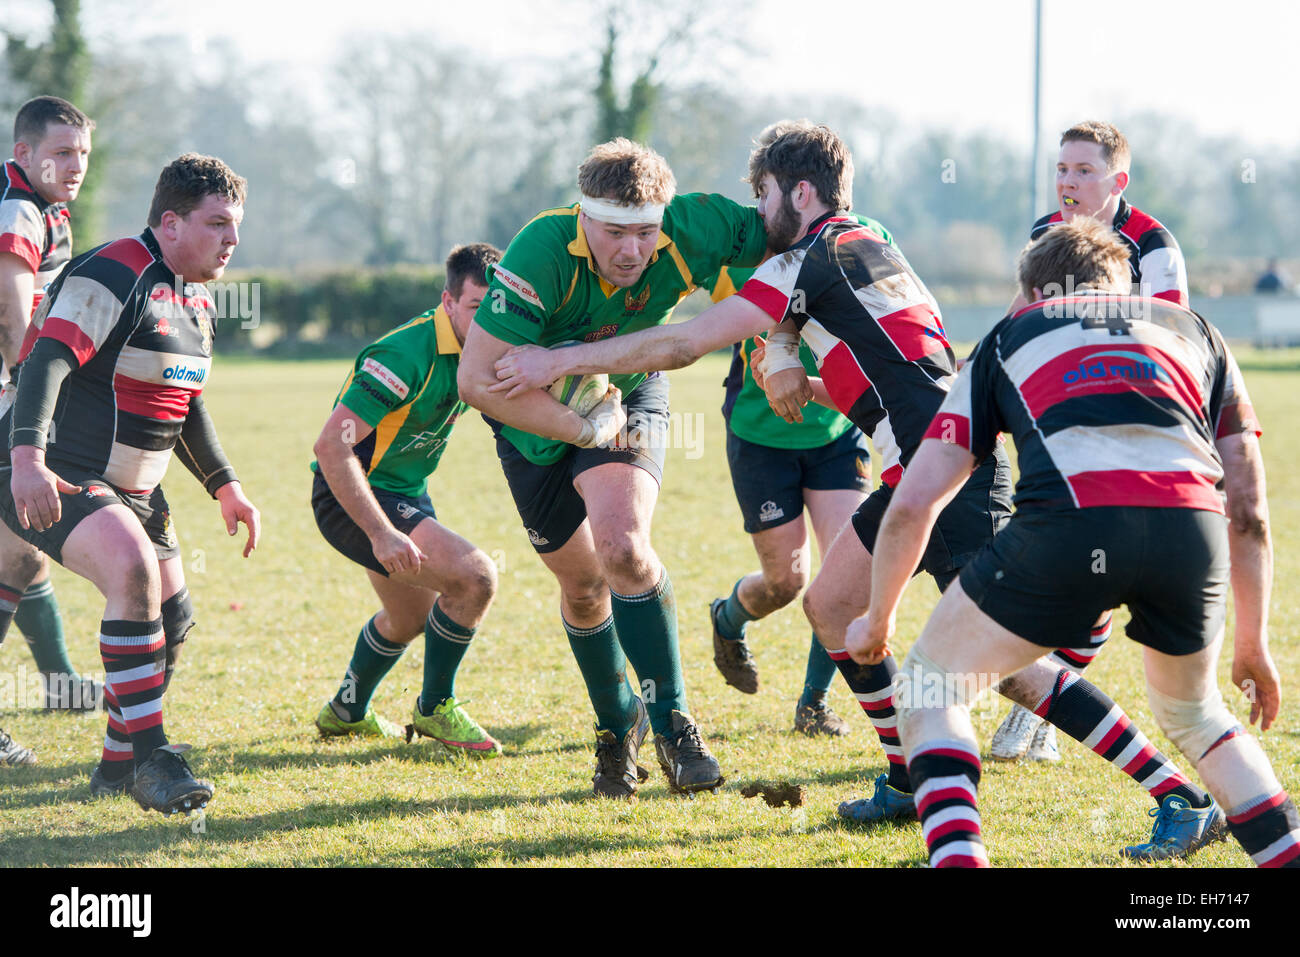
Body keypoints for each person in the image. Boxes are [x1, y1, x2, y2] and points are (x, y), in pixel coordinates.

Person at [490, 122, 1223, 860]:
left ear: (799, 192)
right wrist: (794, 366)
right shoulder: (867, 242)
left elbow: (683, 342)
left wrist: (562, 357)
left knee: (1003, 664)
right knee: (832, 604)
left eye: (764, 194)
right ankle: (907, 778)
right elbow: (885, 366)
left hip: (949, 466)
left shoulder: (807, 258)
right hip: (929, 454)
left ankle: (1178, 793)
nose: (757, 211)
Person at [852, 216, 1297, 868]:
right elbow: (1250, 509)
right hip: (1189, 533)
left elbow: (918, 497)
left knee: (930, 688)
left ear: (1033, 293)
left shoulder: (1011, 334)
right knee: (1199, 717)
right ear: (1122, 284)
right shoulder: (1198, 331)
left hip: (1069, 524)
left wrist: (879, 617)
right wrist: (1254, 642)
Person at [457, 138, 772, 798]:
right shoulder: (539, 252)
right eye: (614, 232)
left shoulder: (699, 226)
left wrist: (794, 335)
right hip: (532, 415)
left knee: (624, 549)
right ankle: (613, 727)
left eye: (646, 233)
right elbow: (475, 381)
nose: (633, 251)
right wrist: (581, 425)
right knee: (582, 588)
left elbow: (796, 238)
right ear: (583, 218)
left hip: (628, 389)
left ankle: (675, 726)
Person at [0, 153, 260, 814]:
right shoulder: (116, 270)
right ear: (169, 223)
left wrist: (225, 483)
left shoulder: (196, 296)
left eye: (236, 225)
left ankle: (118, 766)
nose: (232, 239)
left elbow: (187, 401)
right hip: (60, 468)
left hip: (138, 490)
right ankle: (154, 760)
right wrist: (28, 458)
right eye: (217, 224)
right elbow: (44, 364)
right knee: (131, 572)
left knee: (172, 617)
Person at [995, 119, 1192, 762]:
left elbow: (1172, 337)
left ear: (1117, 181)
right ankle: (1050, 702)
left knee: (1099, 572)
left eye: (1083, 171)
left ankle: (1046, 709)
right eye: (1061, 169)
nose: (1068, 183)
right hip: (1053, 419)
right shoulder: (1041, 234)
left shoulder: (1154, 245)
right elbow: (1021, 316)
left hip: (1126, 422)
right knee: (1072, 566)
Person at [311, 242, 502, 755]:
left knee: (409, 620)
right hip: (354, 493)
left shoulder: (484, 345)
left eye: (498, 308)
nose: (488, 322)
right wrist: (380, 531)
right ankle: (436, 706)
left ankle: (347, 712)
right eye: (476, 308)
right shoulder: (403, 354)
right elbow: (332, 446)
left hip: (406, 493)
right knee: (475, 577)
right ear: (447, 301)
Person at [703, 257, 873, 736]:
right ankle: (727, 618)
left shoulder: (851, 253)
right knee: (785, 582)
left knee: (850, 575)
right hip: (760, 440)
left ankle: (814, 705)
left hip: (837, 434)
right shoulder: (736, 263)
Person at [0, 98, 99, 766]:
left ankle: (60, 681)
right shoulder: (20, 210)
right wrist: (23, 384)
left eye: (83, 154)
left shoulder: (40, 205)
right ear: (27, 151)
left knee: (21, 543)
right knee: (21, 537)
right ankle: (61, 680)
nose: (75, 166)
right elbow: (13, 296)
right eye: (62, 153)